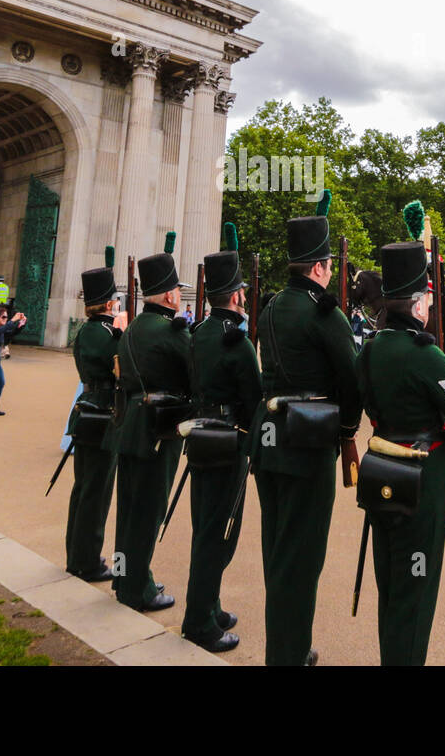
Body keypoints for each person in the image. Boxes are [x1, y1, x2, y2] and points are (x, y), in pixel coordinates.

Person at [356, 240, 445, 665]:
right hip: (420, 481)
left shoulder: (370, 347)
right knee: (415, 588)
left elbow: (363, 402)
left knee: (391, 585)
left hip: (380, 473)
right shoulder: (425, 354)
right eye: (427, 297)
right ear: (419, 304)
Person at [250, 190, 361, 666]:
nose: (332, 273)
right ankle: (289, 654)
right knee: (302, 556)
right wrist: (349, 430)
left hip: (269, 441)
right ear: (318, 267)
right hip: (309, 443)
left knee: (278, 550)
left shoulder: (272, 306)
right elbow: (352, 381)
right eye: (329, 266)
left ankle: (284, 646)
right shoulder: (324, 312)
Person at [183, 223, 262, 654]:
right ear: (234, 297)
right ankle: (199, 623)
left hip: (200, 436)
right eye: (243, 292)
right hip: (229, 442)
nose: (246, 297)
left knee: (205, 526)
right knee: (217, 533)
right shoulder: (238, 342)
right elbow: (254, 398)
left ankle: (209, 606)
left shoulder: (199, 333)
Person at [105, 230, 190, 612]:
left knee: (128, 509)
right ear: (171, 295)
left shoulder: (134, 327)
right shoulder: (172, 331)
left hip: (129, 427)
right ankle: (137, 589)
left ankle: (125, 577)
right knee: (148, 512)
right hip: (159, 428)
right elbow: (194, 376)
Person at [65, 246, 125, 582]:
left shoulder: (88, 330)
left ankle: (77, 555)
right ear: (108, 303)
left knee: (83, 488)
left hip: (85, 411)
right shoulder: (106, 334)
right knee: (96, 492)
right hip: (103, 415)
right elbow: (121, 372)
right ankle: (87, 561)